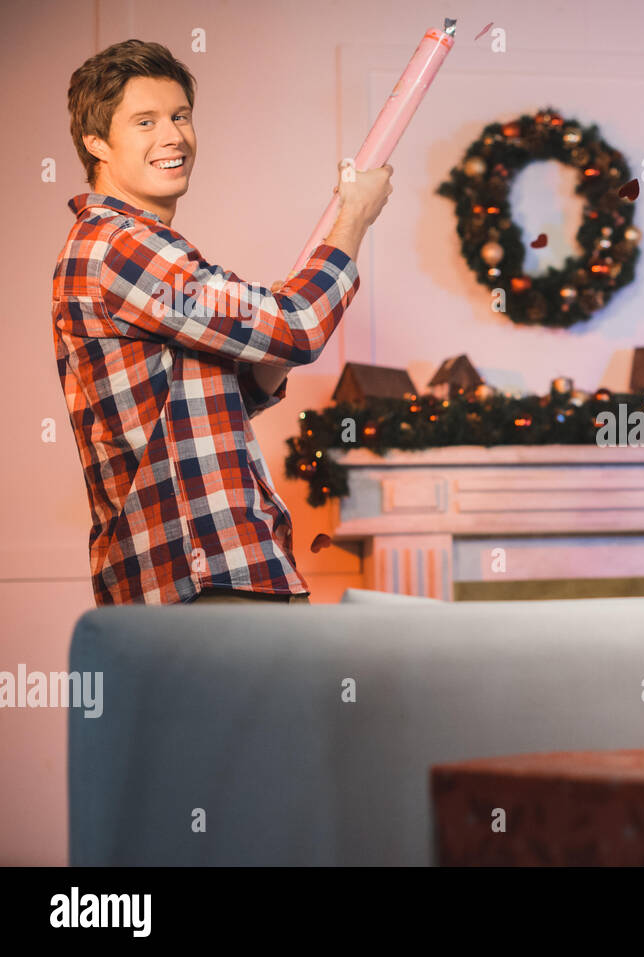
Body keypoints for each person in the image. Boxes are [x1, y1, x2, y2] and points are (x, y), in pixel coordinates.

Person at [53, 39, 393, 605]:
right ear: (96, 143)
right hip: (198, 575)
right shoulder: (118, 248)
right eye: (145, 121)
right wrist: (354, 219)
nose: (173, 136)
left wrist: (268, 347)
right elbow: (300, 326)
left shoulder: (151, 250)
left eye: (180, 115)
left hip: (219, 572)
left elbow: (220, 401)